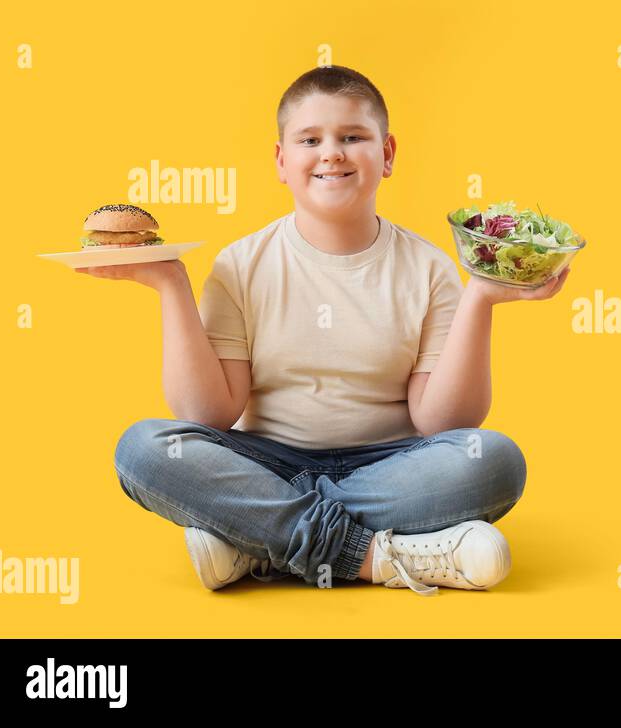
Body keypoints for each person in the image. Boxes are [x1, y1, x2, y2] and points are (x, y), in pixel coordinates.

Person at [80, 65, 570, 596]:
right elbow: (208, 414)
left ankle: (258, 540)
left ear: (387, 155)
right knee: (142, 448)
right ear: (282, 161)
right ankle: (377, 557)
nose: (331, 153)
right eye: (310, 139)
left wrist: (480, 297)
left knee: (494, 459)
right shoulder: (240, 264)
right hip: (265, 459)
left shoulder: (429, 268)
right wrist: (173, 285)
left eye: (353, 137)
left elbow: (444, 421)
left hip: (390, 465)